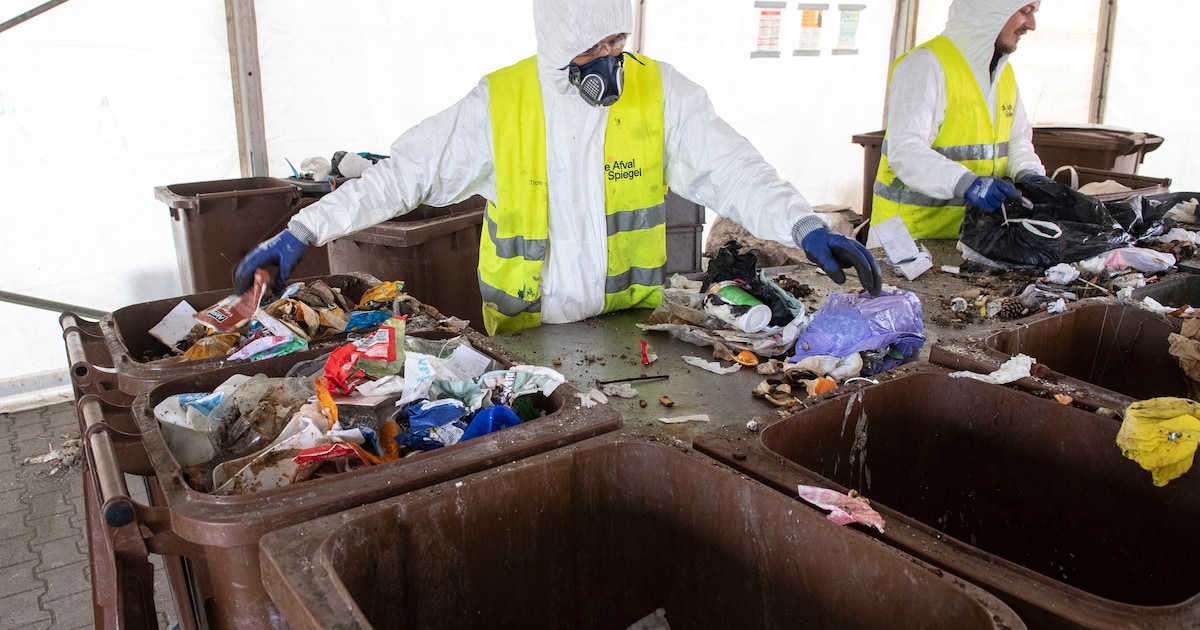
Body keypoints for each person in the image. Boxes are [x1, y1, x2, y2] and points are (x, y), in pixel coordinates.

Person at [235, 0, 882, 336]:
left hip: (633, 329)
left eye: (618, 43)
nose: (611, 60)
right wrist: (304, 231)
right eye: (596, 46)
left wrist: (803, 225)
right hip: (531, 340)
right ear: (560, 44)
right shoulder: (501, 104)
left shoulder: (662, 94)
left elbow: (734, 169)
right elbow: (402, 175)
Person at [870, 0, 1051, 240]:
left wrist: (1029, 174)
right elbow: (906, 150)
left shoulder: (1003, 74)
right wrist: (966, 183)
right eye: (1025, 11)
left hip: (967, 239)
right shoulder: (924, 65)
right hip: (907, 242)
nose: (1031, 25)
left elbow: (1017, 140)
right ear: (990, 10)